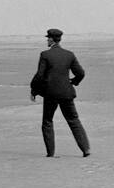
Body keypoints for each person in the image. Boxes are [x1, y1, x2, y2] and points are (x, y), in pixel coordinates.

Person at [30, 28, 90, 157]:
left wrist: (34, 90)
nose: (47, 40)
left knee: (47, 121)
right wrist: (73, 81)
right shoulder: (69, 55)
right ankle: (86, 150)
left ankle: (50, 153)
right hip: (66, 93)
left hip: (50, 94)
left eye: (48, 38)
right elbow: (81, 73)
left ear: (52, 39)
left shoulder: (45, 55)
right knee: (74, 120)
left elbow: (39, 76)